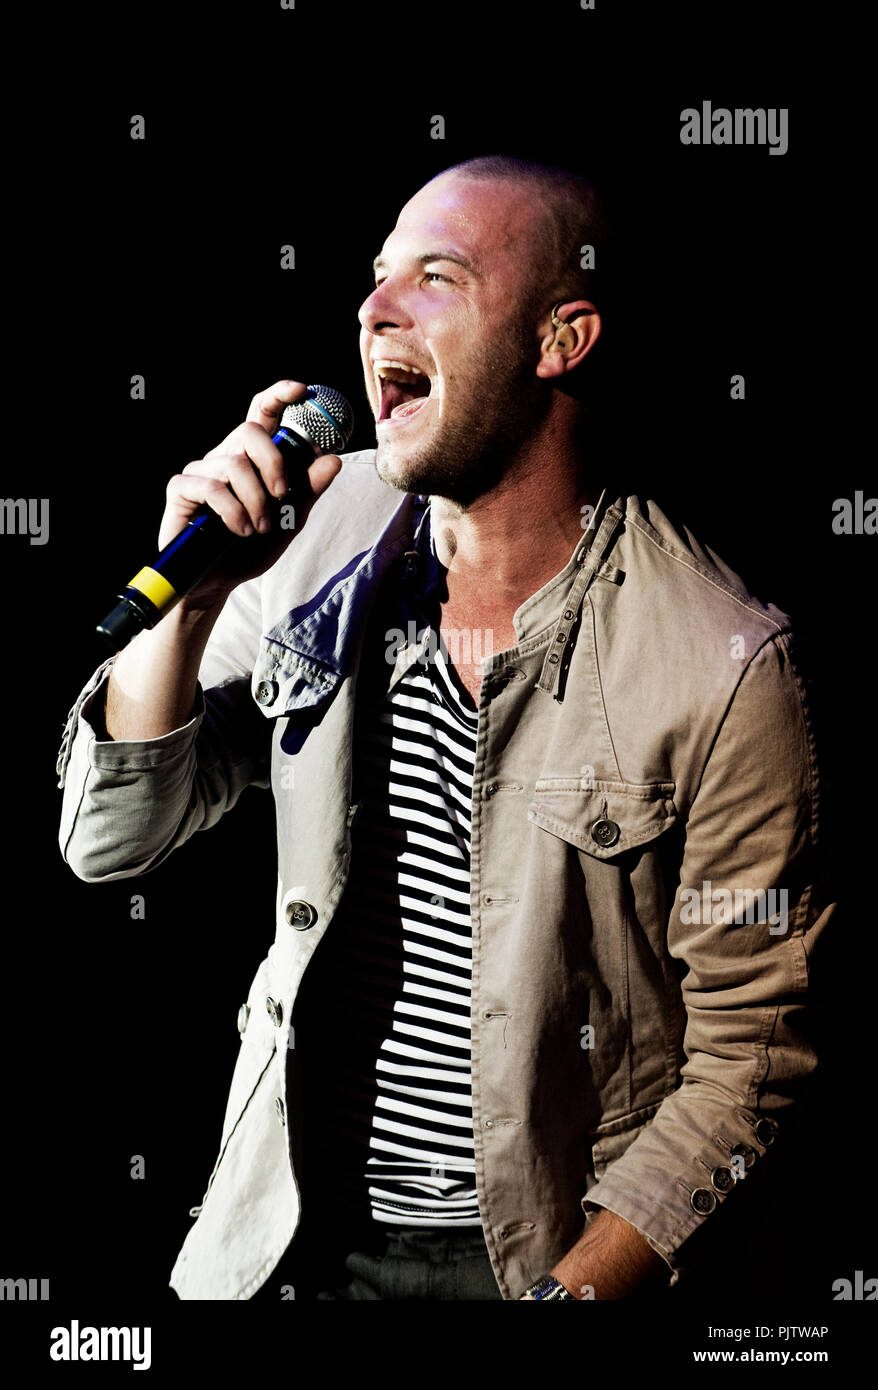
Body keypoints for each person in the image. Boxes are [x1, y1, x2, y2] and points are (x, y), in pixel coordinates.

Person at [57, 155, 833, 1301]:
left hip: (535, 1256)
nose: (373, 309)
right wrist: (201, 601)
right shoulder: (316, 540)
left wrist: (572, 1296)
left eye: (435, 276)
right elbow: (107, 843)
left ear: (559, 337)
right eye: (374, 279)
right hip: (285, 1230)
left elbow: (746, 1061)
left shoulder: (720, 664)